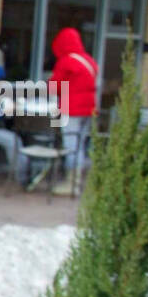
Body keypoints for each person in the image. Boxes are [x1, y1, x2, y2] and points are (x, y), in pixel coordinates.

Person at [48, 26, 99, 191]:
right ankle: (76, 181)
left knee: (70, 145)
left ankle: (71, 184)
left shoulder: (66, 61)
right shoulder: (89, 60)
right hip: (89, 109)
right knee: (80, 145)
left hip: (72, 109)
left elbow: (55, 86)